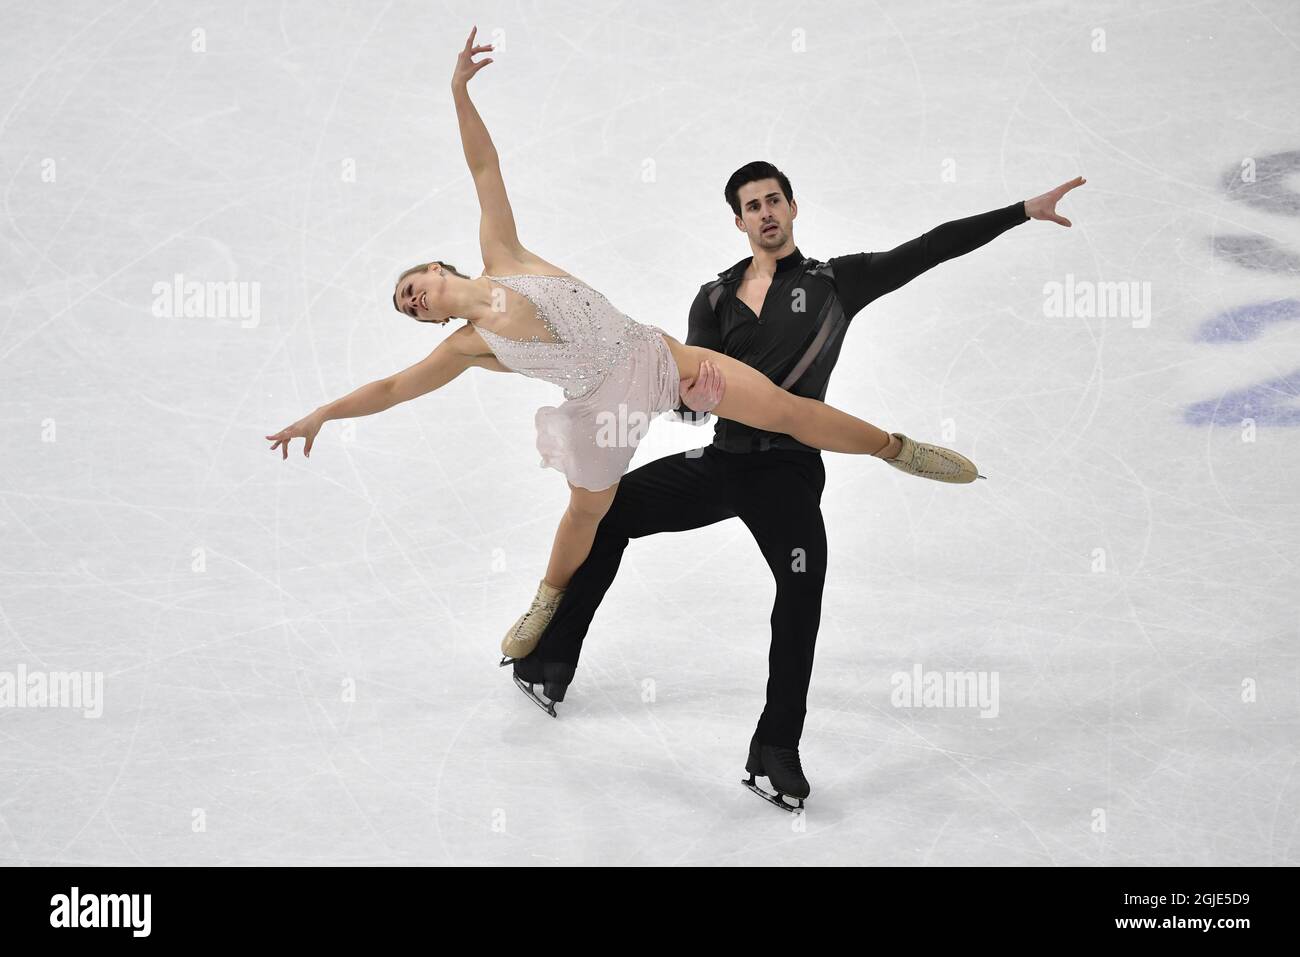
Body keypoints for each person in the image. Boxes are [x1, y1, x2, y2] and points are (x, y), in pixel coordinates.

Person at [511, 151, 1085, 807]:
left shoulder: (838, 283)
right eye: (753, 205)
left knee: (801, 589)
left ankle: (775, 748)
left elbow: (929, 249)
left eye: (774, 199)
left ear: (792, 207)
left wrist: (1020, 212)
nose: (766, 213)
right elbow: (688, 397)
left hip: (787, 472)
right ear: (739, 221)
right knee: (609, 516)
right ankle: (548, 658)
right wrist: (691, 402)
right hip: (722, 461)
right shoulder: (715, 297)